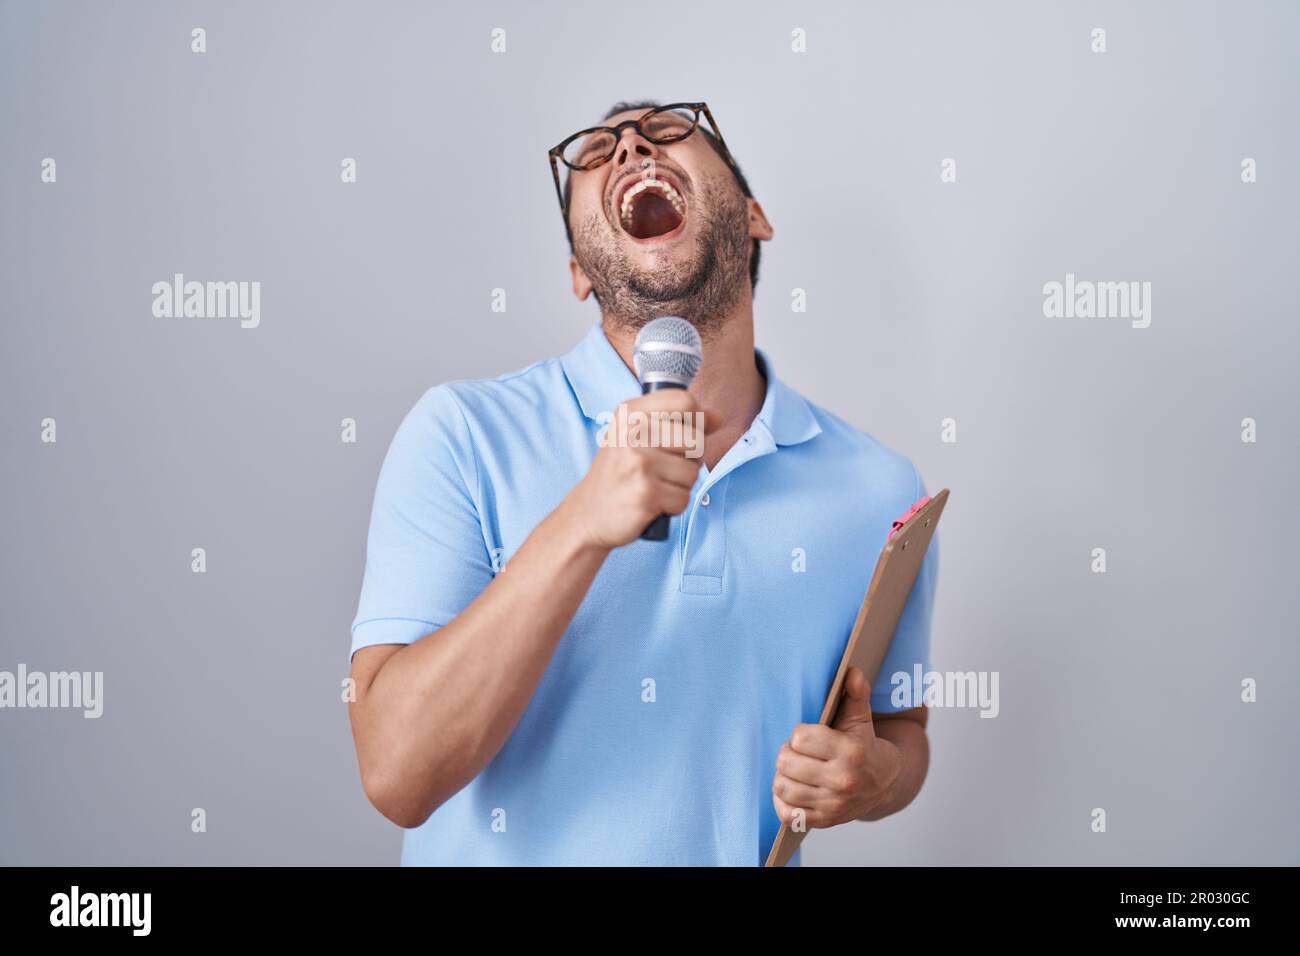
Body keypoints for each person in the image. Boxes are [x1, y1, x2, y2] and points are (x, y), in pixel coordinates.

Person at [347, 100, 938, 866]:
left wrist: (875, 776)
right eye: (597, 151)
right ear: (578, 274)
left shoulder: (879, 488)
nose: (630, 145)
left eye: (667, 132)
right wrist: (582, 522)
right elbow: (397, 774)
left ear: (754, 215)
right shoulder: (461, 433)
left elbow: (901, 728)